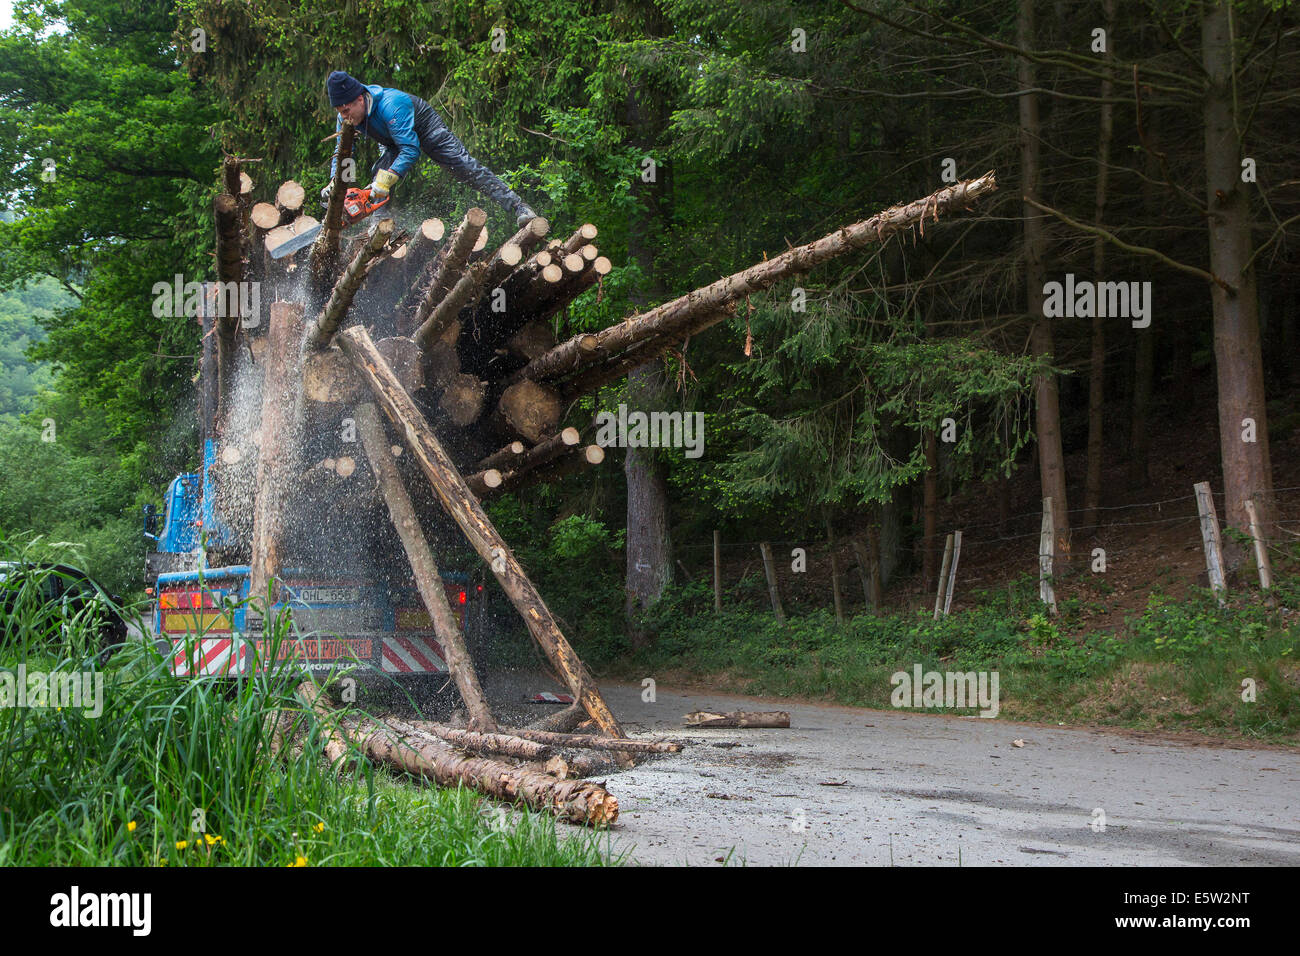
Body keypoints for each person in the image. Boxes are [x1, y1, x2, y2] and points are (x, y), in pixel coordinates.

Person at [323, 70, 537, 227]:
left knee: (465, 166)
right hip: (393, 140)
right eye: (340, 112)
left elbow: (410, 149)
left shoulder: (391, 105)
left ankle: (520, 207)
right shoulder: (347, 117)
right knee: (378, 173)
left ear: (360, 99)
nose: (344, 117)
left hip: (427, 130)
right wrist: (336, 181)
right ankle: (378, 226)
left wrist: (387, 180)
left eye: (346, 110)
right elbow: (344, 153)